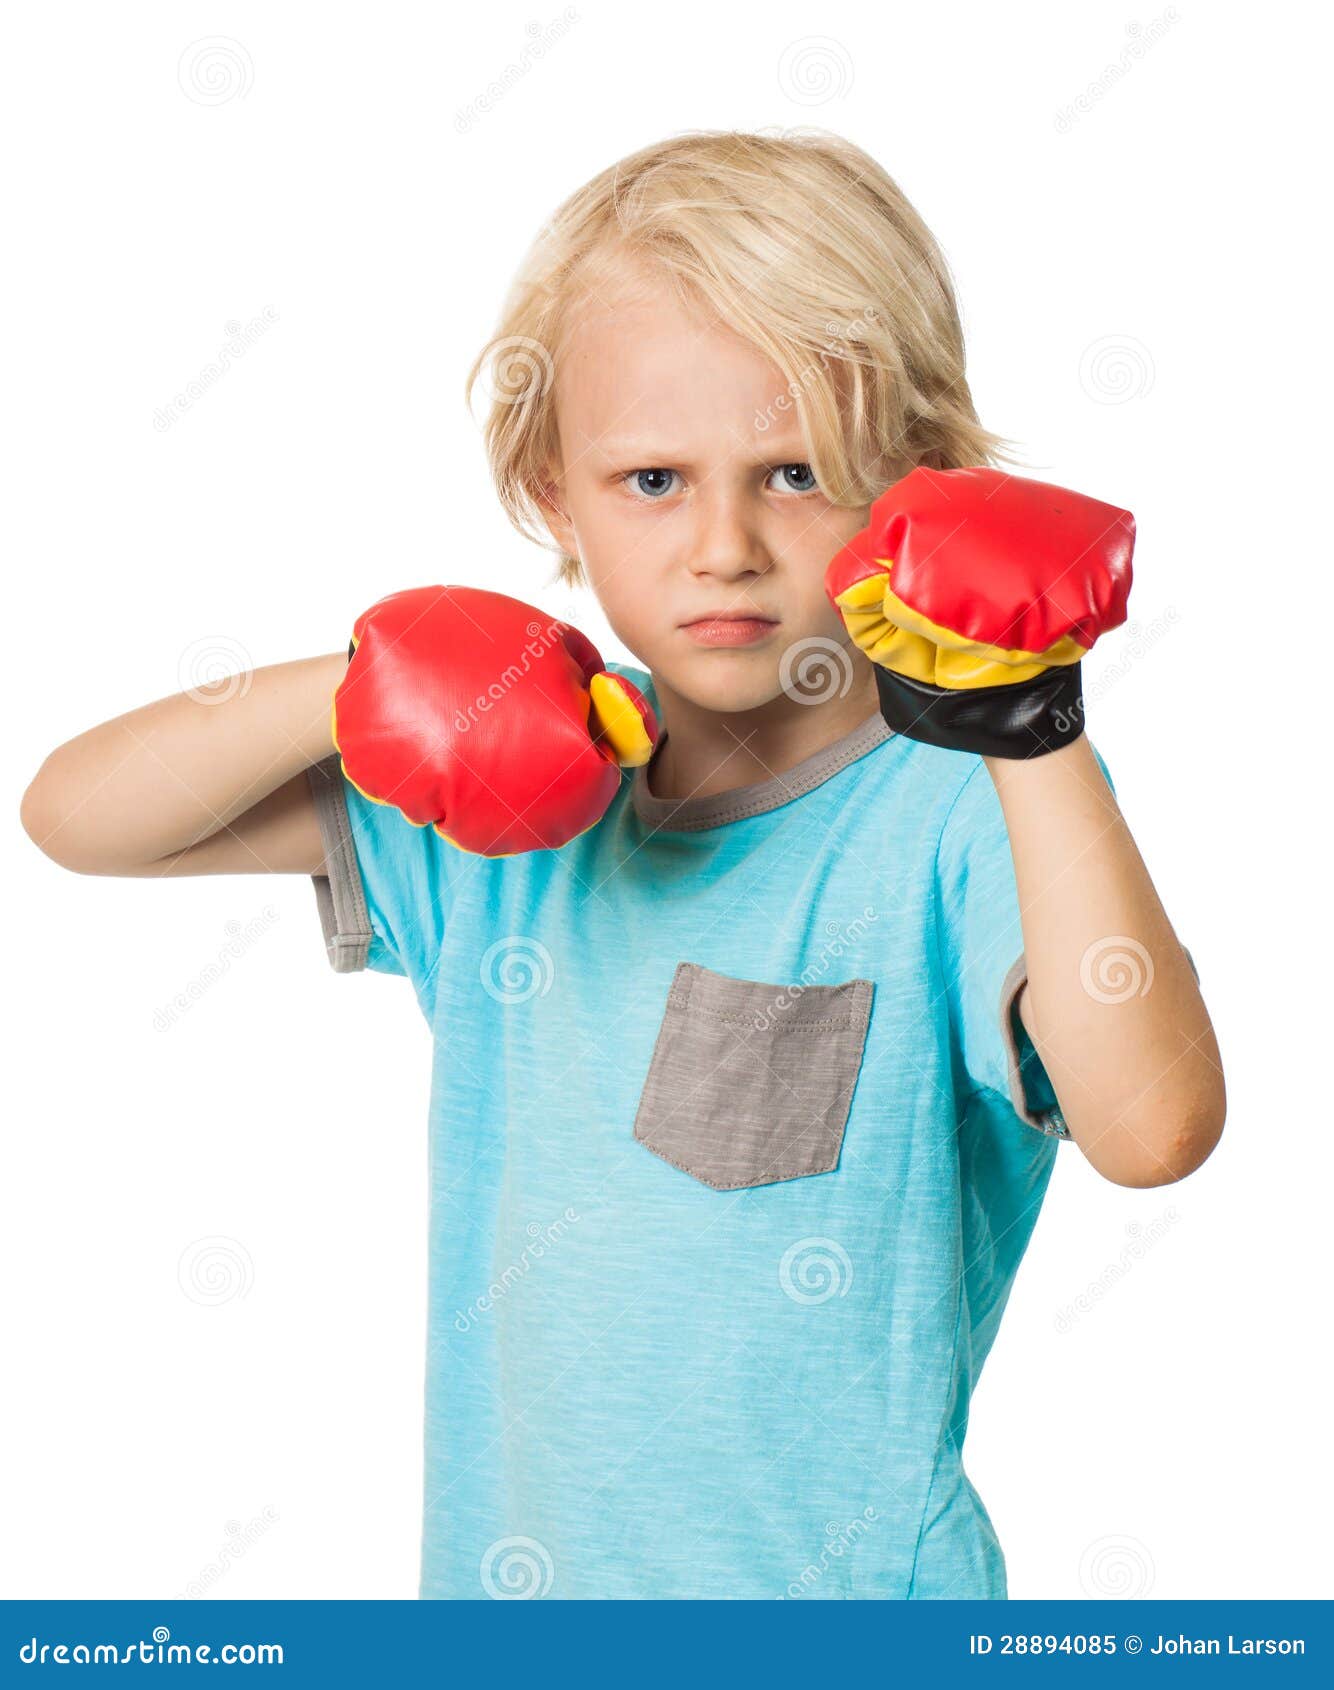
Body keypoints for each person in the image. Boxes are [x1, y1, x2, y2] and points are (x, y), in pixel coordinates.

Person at [20, 128, 1224, 1600]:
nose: (723, 544)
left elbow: (1154, 1126)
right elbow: (76, 816)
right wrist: (362, 681)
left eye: (795, 473)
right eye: (651, 477)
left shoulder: (960, 809)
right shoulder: (506, 797)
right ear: (551, 492)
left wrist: (1035, 736)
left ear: (918, 490)